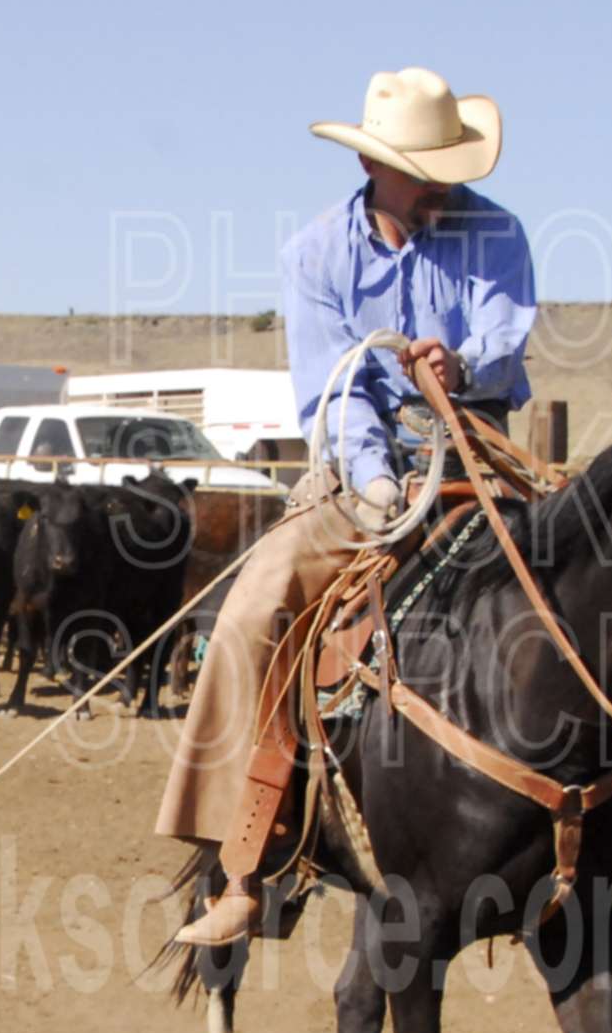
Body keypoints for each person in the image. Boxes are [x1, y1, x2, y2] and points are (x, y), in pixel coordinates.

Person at [156, 67, 537, 946]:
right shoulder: (317, 254)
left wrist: (462, 368)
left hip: (478, 453)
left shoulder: (494, 230)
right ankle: (242, 859)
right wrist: (372, 483)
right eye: (425, 167)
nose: (443, 183)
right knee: (253, 609)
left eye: (448, 164)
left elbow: (504, 340)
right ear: (379, 167)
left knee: (597, 576)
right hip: (357, 470)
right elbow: (335, 386)